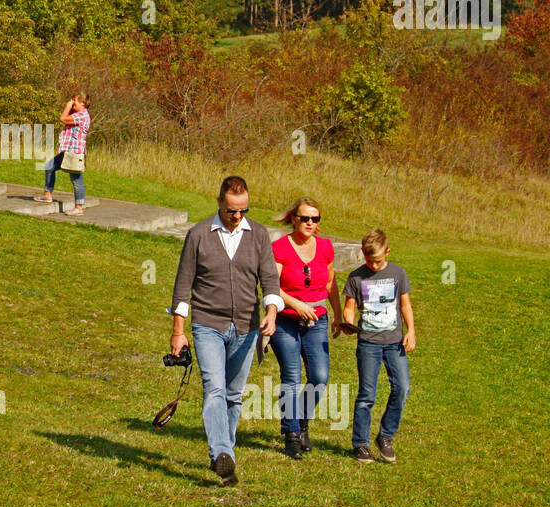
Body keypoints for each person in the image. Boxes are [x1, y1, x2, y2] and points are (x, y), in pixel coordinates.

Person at [169, 175, 284, 486]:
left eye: (243, 210)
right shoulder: (198, 235)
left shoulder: (259, 235)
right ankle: (221, 451)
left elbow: (270, 282)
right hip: (208, 323)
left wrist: (272, 312)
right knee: (215, 388)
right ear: (219, 202)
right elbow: (183, 287)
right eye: (232, 210)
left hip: (247, 328)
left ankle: (225, 454)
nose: (237, 217)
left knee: (234, 395)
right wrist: (178, 332)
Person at [269, 197, 343, 459]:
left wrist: (338, 314)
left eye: (315, 218)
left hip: (317, 319)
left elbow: (331, 284)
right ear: (293, 219)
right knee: (291, 376)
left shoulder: (325, 247)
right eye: (305, 218)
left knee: (319, 377)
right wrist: (295, 304)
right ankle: (291, 434)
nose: (310, 223)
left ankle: (300, 421)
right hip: (286, 319)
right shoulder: (279, 247)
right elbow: (270, 286)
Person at [344, 230, 415, 464]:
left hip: (394, 342)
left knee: (402, 387)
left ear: (387, 252)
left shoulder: (398, 273)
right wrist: (347, 321)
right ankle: (361, 444)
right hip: (368, 344)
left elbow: (405, 305)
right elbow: (350, 307)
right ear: (363, 254)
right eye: (369, 260)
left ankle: (385, 436)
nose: (373, 265)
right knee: (367, 395)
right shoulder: (356, 277)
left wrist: (411, 331)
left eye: (378, 261)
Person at [34, 93, 90, 215]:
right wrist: (70, 106)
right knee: (49, 166)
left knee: (76, 180)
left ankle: (79, 208)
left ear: (82, 103)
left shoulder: (82, 115)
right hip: (67, 151)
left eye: (74, 101)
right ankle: (47, 195)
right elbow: (66, 118)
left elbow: (63, 118)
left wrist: (68, 105)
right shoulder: (76, 115)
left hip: (75, 152)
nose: (72, 102)